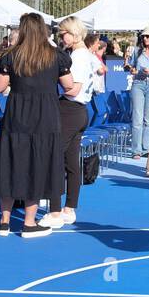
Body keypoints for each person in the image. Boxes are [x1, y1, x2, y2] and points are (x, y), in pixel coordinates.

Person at [0, 13, 76, 238]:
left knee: (11, 163)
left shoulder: (10, 56)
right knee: (38, 165)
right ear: (43, 30)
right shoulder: (56, 57)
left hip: (17, 114)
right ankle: (29, 223)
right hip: (45, 116)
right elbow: (68, 86)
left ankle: (4, 221)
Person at [42, 18, 101, 227]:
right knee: (71, 162)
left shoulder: (78, 56)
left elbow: (73, 88)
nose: (61, 37)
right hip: (79, 111)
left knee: (56, 159)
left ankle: (55, 211)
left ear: (74, 33)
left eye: (64, 33)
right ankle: (69, 208)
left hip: (70, 110)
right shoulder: (86, 55)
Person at [126, 30, 149, 159]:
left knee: (148, 119)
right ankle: (136, 150)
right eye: (144, 36)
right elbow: (130, 68)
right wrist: (132, 69)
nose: (146, 38)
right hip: (138, 84)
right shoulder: (136, 51)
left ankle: (146, 148)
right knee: (137, 118)